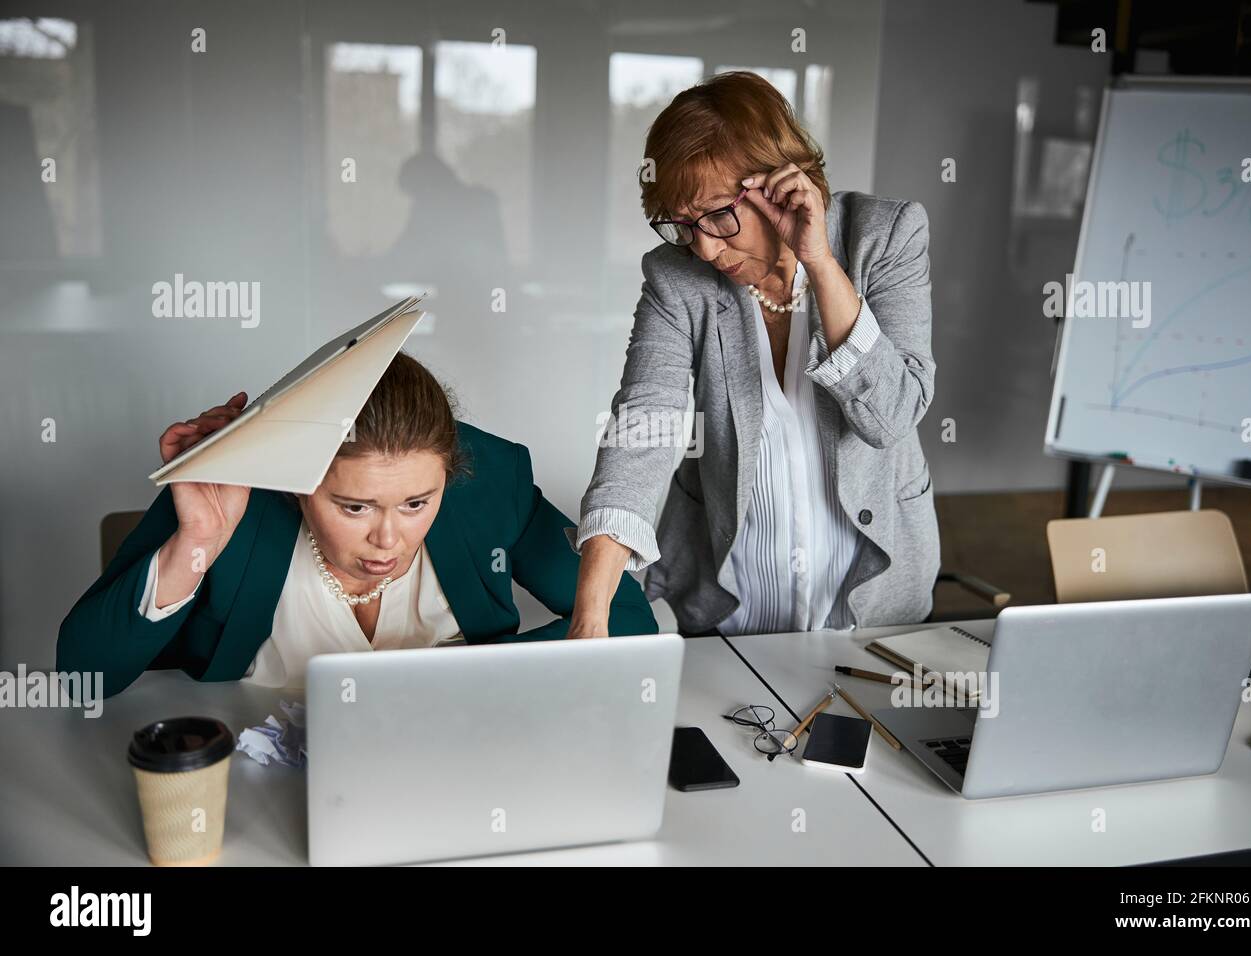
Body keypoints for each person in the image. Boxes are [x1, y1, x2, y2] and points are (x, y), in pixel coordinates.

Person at [568, 71, 940, 638]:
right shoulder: (677, 277)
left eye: (719, 215)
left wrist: (819, 262)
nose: (707, 249)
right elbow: (644, 425)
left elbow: (890, 416)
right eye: (684, 226)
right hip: (735, 593)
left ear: (785, 182)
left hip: (871, 594)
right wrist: (590, 614)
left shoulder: (886, 236)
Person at [58, 352, 658, 697]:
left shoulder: (490, 487)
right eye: (354, 507)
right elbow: (83, 678)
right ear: (297, 484)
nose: (388, 541)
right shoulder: (235, 490)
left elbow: (625, 618)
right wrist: (197, 542)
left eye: (417, 504)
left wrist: (479, 681)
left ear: (451, 475)